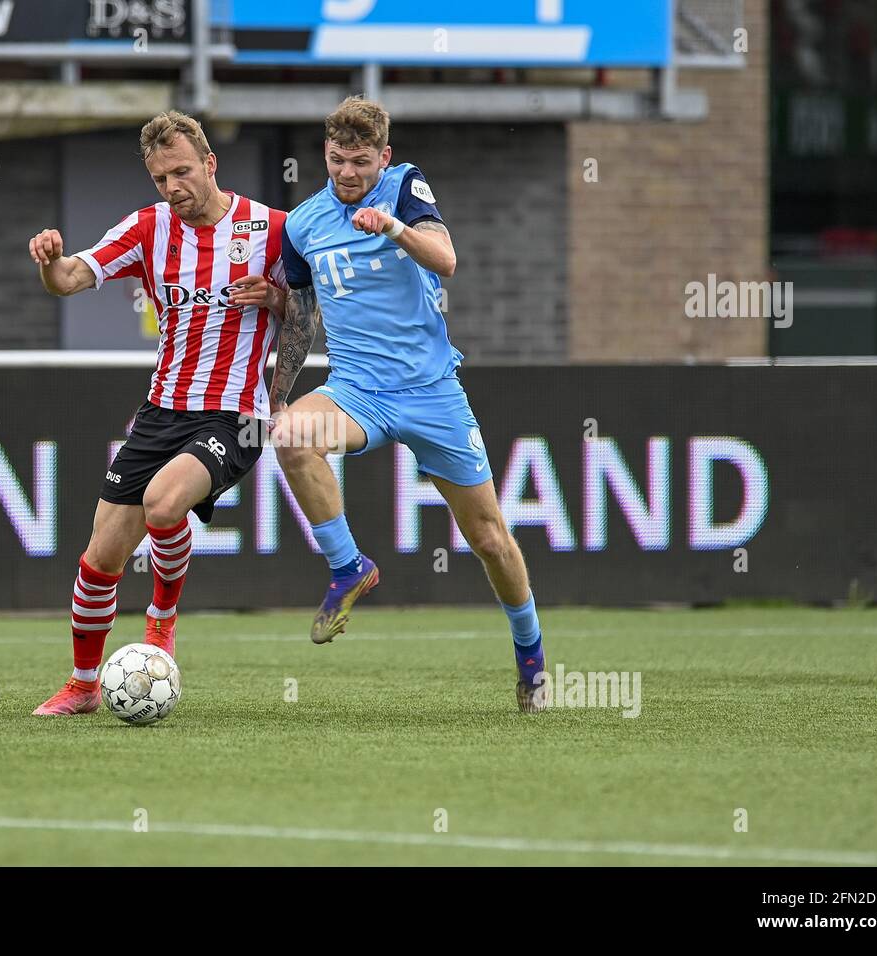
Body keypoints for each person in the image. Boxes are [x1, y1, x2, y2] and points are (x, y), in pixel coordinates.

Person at [269, 96, 547, 713]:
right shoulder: (302, 224)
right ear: (325, 155)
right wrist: (275, 395)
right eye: (338, 159)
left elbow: (446, 260)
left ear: (384, 157)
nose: (348, 173)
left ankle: (531, 659)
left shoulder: (403, 187)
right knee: (288, 436)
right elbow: (300, 318)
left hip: (431, 393)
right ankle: (348, 569)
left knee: (490, 539)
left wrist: (393, 226)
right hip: (356, 391)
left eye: (361, 161)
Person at [28, 111, 287, 715]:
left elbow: (311, 311)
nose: (173, 187)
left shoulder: (271, 229)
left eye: (182, 172)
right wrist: (48, 261)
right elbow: (69, 279)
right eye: (160, 178)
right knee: (101, 557)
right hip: (161, 411)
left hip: (236, 415)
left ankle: (161, 620)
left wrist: (276, 297)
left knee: (165, 503)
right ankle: (84, 685)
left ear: (209, 164)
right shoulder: (148, 229)